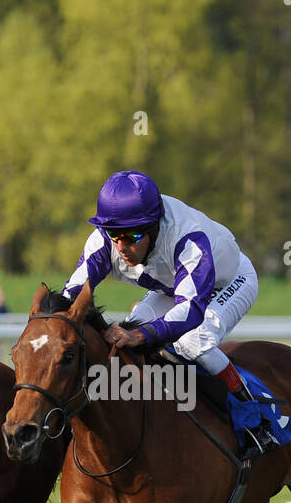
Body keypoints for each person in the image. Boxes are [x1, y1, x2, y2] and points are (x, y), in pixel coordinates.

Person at [61, 170, 278, 455]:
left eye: (131, 236)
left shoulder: (187, 237)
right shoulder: (105, 240)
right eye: (114, 235)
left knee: (192, 342)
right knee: (135, 323)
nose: (121, 246)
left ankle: (255, 414)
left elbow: (189, 310)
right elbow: (71, 296)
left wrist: (139, 336)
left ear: (153, 227)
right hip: (176, 287)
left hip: (230, 281)